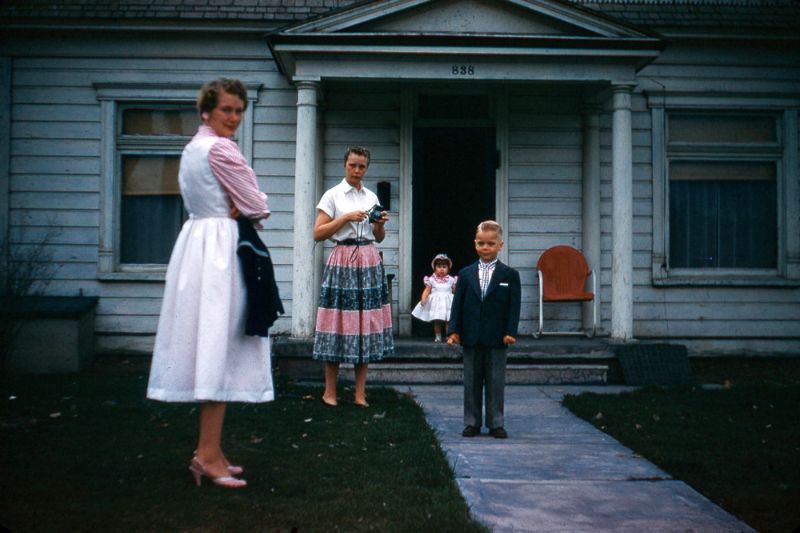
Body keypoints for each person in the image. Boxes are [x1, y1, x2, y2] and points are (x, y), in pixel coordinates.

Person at [147, 78, 274, 488]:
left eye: (240, 110)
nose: (234, 118)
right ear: (206, 111)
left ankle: (212, 450)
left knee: (210, 343)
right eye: (227, 110)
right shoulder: (221, 149)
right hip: (220, 249)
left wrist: (242, 204)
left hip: (198, 243)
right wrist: (249, 205)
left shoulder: (192, 148)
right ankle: (206, 455)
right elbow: (257, 206)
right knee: (217, 343)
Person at [312, 146, 393, 408]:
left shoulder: (371, 196)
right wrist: (346, 217)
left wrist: (379, 224)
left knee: (364, 325)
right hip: (343, 258)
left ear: (367, 168)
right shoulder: (332, 195)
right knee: (337, 323)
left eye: (362, 166)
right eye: (353, 165)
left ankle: (360, 394)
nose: (357, 170)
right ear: (344, 165)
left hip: (369, 259)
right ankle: (330, 392)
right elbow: (318, 233)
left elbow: (378, 237)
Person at [447, 220, 521, 439]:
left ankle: (496, 423)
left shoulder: (509, 275)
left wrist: (510, 331)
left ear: (500, 245)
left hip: (498, 337)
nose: (485, 248)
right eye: (481, 243)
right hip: (471, 335)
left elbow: (514, 306)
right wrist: (453, 330)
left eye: (490, 243)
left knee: (496, 381)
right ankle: (472, 422)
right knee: (471, 381)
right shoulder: (466, 273)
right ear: (475, 244)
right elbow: (457, 304)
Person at [411, 253, 457, 342]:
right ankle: (438, 336)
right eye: (439, 266)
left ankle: (448, 336)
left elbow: (455, 291)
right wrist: (423, 299)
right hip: (437, 304)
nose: (442, 269)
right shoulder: (431, 279)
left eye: (444, 267)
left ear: (448, 268)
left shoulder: (451, 280)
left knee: (448, 320)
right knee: (437, 320)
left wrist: (456, 298)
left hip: (448, 303)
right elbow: (427, 290)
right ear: (434, 268)